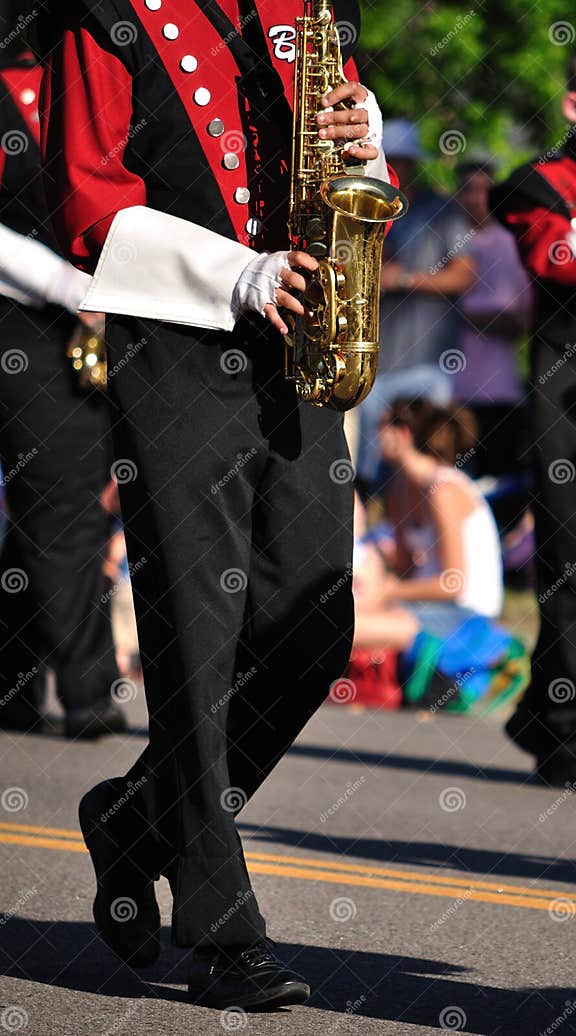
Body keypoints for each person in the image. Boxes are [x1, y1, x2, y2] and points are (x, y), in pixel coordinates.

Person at [36, 0, 396, 1010]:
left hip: (300, 334)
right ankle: (223, 927)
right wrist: (242, 274)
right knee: (197, 641)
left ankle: (134, 821)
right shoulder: (101, 15)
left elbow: (355, 166)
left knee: (313, 632)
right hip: (179, 345)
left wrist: (364, 141)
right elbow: (90, 202)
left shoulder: (312, 8)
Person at [0, 49, 126, 739]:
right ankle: (86, 691)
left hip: (77, 328)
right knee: (62, 508)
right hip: (23, 315)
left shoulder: (92, 78)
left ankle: (19, 683)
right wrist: (73, 289)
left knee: (55, 509)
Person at [490, 52, 576, 786]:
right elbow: (556, 257)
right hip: (565, 400)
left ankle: (543, 713)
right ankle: (565, 732)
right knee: (570, 564)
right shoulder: (538, 180)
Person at [357, 118, 476, 490]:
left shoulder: (443, 211)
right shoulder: (368, 208)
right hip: (374, 364)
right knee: (371, 466)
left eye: (403, 159)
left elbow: (465, 275)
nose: (397, 166)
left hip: (430, 362)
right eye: (391, 158)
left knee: (434, 459)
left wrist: (404, 279)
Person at [353, 399, 503, 651]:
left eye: (381, 425)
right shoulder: (400, 488)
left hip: (465, 616)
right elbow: (404, 568)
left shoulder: (443, 489)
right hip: (423, 607)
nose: (374, 434)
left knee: (350, 630)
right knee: (339, 619)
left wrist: (390, 592)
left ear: (402, 434)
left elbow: (453, 584)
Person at [454, 158, 532, 477]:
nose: (475, 198)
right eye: (467, 190)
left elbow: (517, 323)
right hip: (445, 392)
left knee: (498, 488)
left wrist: (456, 314)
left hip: (497, 392)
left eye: (483, 190)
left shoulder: (513, 244)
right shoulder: (444, 239)